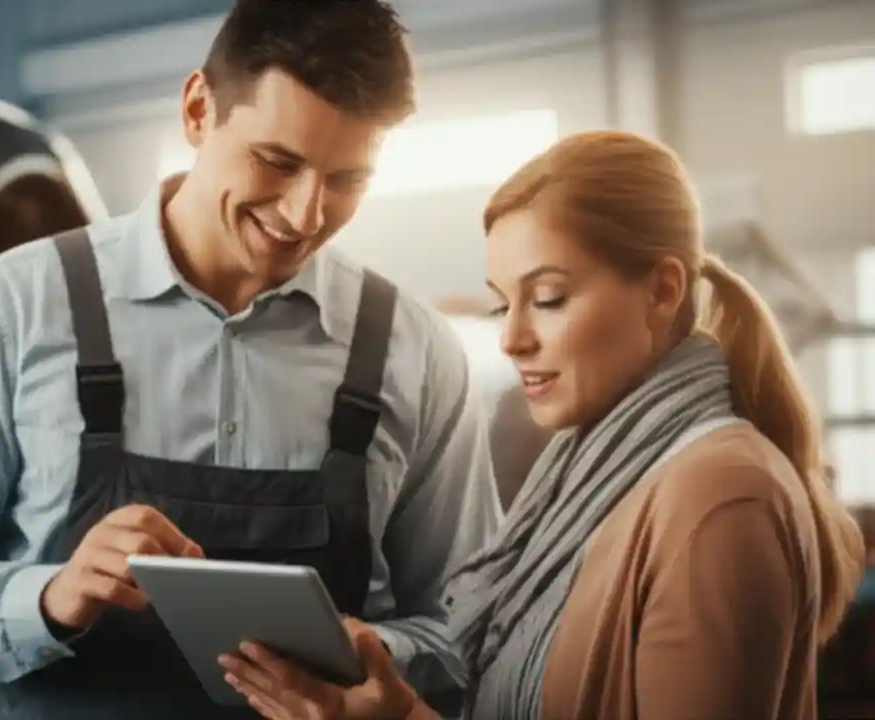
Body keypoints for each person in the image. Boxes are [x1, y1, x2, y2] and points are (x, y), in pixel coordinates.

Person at [0, 1, 502, 718]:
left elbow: (474, 626)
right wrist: (46, 597)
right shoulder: (18, 305)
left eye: (348, 181)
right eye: (277, 162)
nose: (305, 214)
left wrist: (373, 657)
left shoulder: (416, 348)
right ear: (196, 110)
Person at [220, 129, 867, 719]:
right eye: (504, 304)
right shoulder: (594, 483)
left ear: (663, 290)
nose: (512, 338)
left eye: (550, 298)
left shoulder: (717, 498)